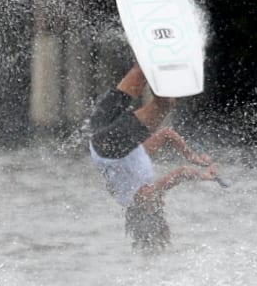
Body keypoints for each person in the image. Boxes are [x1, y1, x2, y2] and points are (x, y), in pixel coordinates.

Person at [89, 63, 218, 250]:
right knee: (140, 70)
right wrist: (193, 157)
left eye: (160, 207)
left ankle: (161, 63)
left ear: (149, 210)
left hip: (112, 145)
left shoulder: (142, 199)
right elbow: (166, 134)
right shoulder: (136, 171)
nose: (162, 202)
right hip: (98, 132)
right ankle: (145, 59)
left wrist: (204, 176)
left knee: (164, 104)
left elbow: (181, 173)